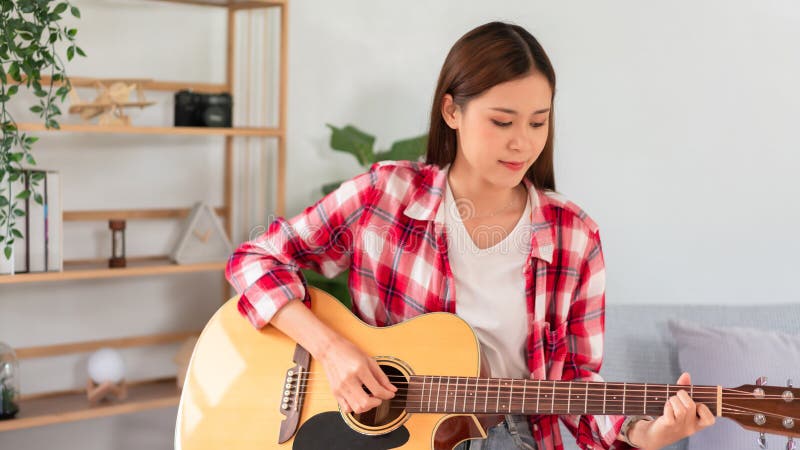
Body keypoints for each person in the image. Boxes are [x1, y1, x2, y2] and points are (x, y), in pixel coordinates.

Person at [225, 21, 715, 450]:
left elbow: (576, 384)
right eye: (501, 121)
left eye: (538, 122)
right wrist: (332, 350)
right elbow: (254, 260)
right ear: (452, 111)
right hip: (381, 437)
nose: (522, 141)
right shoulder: (384, 195)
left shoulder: (574, 235)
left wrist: (646, 434)